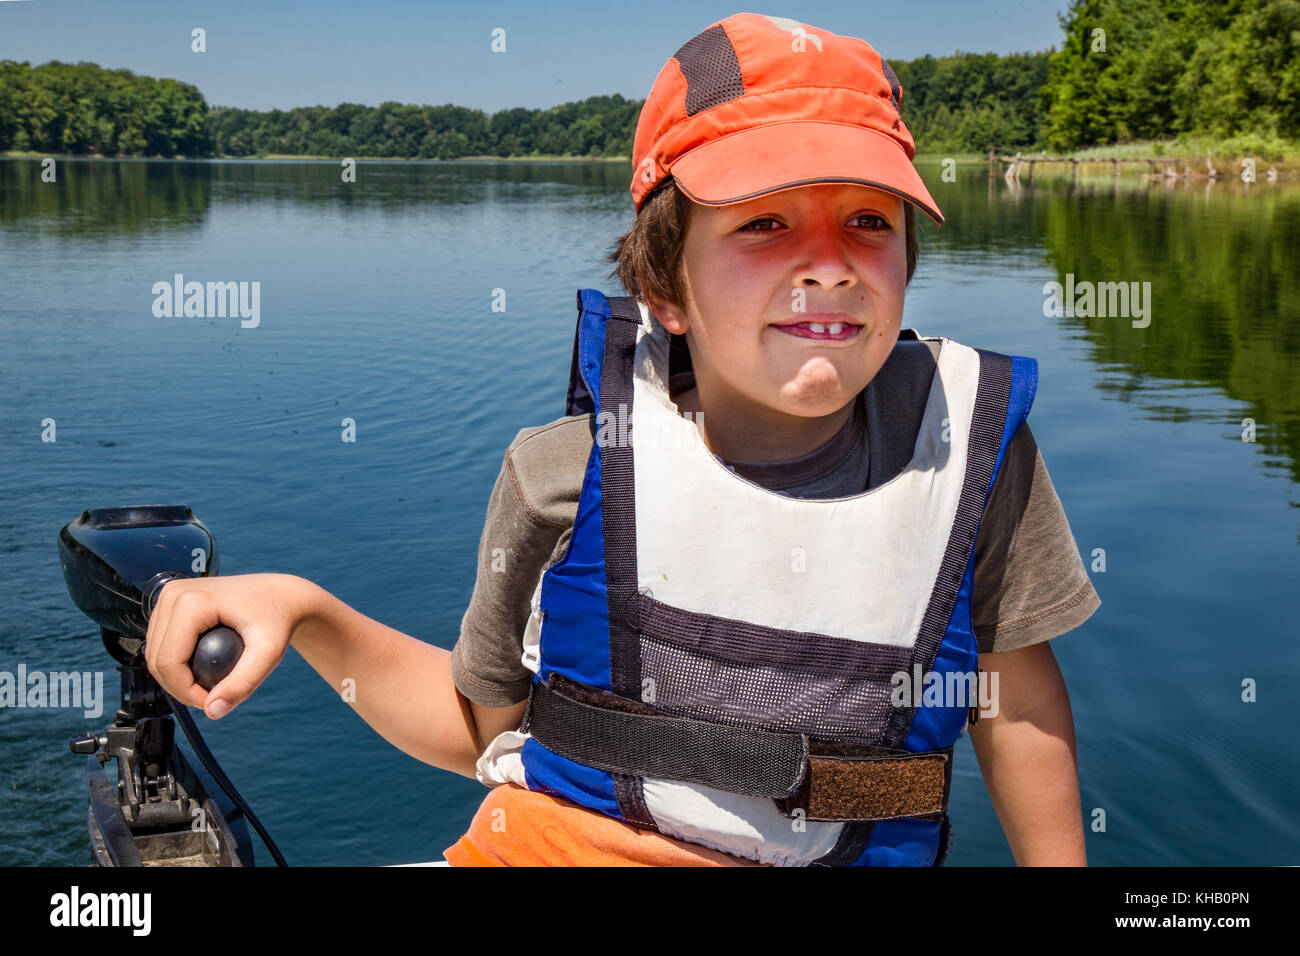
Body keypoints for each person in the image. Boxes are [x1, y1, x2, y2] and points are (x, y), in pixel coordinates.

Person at [145, 12, 1099, 867]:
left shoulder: (973, 460)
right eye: (764, 221)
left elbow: (1012, 709)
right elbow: (480, 729)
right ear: (665, 289)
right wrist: (305, 609)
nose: (830, 264)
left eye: (868, 220)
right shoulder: (563, 472)